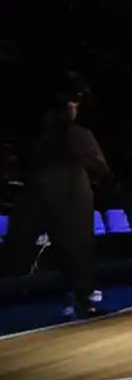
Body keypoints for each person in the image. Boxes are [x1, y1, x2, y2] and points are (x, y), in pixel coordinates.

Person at [1, 80, 111, 318]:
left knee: (48, 249)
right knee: (79, 249)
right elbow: (100, 166)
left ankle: (64, 298)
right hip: (72, 194)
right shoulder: (79, 135)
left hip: (39, 193)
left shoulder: (38, 138)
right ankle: (84, 299)